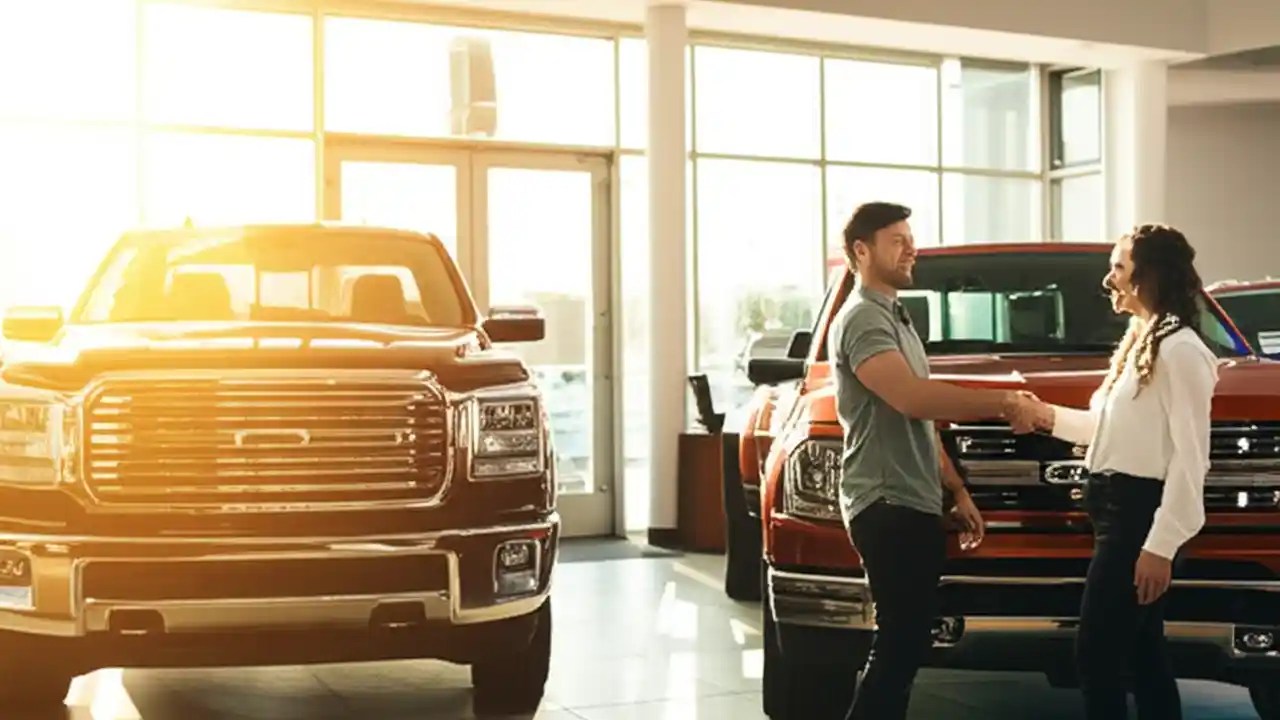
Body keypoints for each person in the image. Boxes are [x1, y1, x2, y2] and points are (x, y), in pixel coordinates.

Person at [829, 201, 1040, 720]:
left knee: (905, 646)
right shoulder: (861, 319)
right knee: (898, 644)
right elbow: (913, 399)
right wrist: (1004, 402)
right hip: (885, 501)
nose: (910, 248)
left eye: (909, 237)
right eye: (896, 239)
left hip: (914, 499)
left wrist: (956, 489)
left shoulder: (895, 317)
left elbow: (920, 424)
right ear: (862, 250)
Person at [1013, 223, 1217, 720]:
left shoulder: (1181, 351)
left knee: (1097, 654)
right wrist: (1046, 416)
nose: (1109, 280)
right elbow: (1107, 430)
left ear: (1148, 275)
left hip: (1139, 519)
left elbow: (1192, 459)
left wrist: (1160, 546)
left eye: (1118, 268)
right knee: (1143, 654)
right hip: (1117, 513)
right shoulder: (1143, 341)